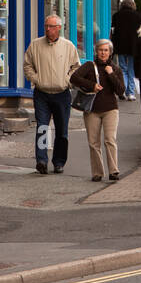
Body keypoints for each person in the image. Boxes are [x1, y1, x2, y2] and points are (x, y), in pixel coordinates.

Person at [22, 14, 81, 175]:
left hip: (62, 94)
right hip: (42, 93)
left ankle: (59, 162)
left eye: (51, 26)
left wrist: (68, 81)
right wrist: (36, 79)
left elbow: (76, 67)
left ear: (59, 28)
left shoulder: (68, 46)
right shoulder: (35, 45)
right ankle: (41, 160)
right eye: (46, 26)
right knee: (42, 127)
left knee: (62, 131)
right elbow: (27, 65)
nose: (48, 29)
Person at [71, 39, 126, 182]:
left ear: (110, 52)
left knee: (110, 139)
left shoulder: (115, 68)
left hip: (110, 109)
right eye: (101, 50)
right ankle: (97, 172)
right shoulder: (90, 66)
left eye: (106, 50)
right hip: (92, 110)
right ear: (96, 51)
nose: (103, 53)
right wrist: (92, 85)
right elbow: (74, 78)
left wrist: (111, 74)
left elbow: (121, 91)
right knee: (93, 142)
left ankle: (114, 171)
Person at [110, 0, 141, 100]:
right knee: (131, 69)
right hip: (133, 47)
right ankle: (131, 93)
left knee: (122, 69)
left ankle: (122, 91)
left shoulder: (116, 16)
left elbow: (113, 31)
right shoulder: (138, 16)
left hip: (120, 46)